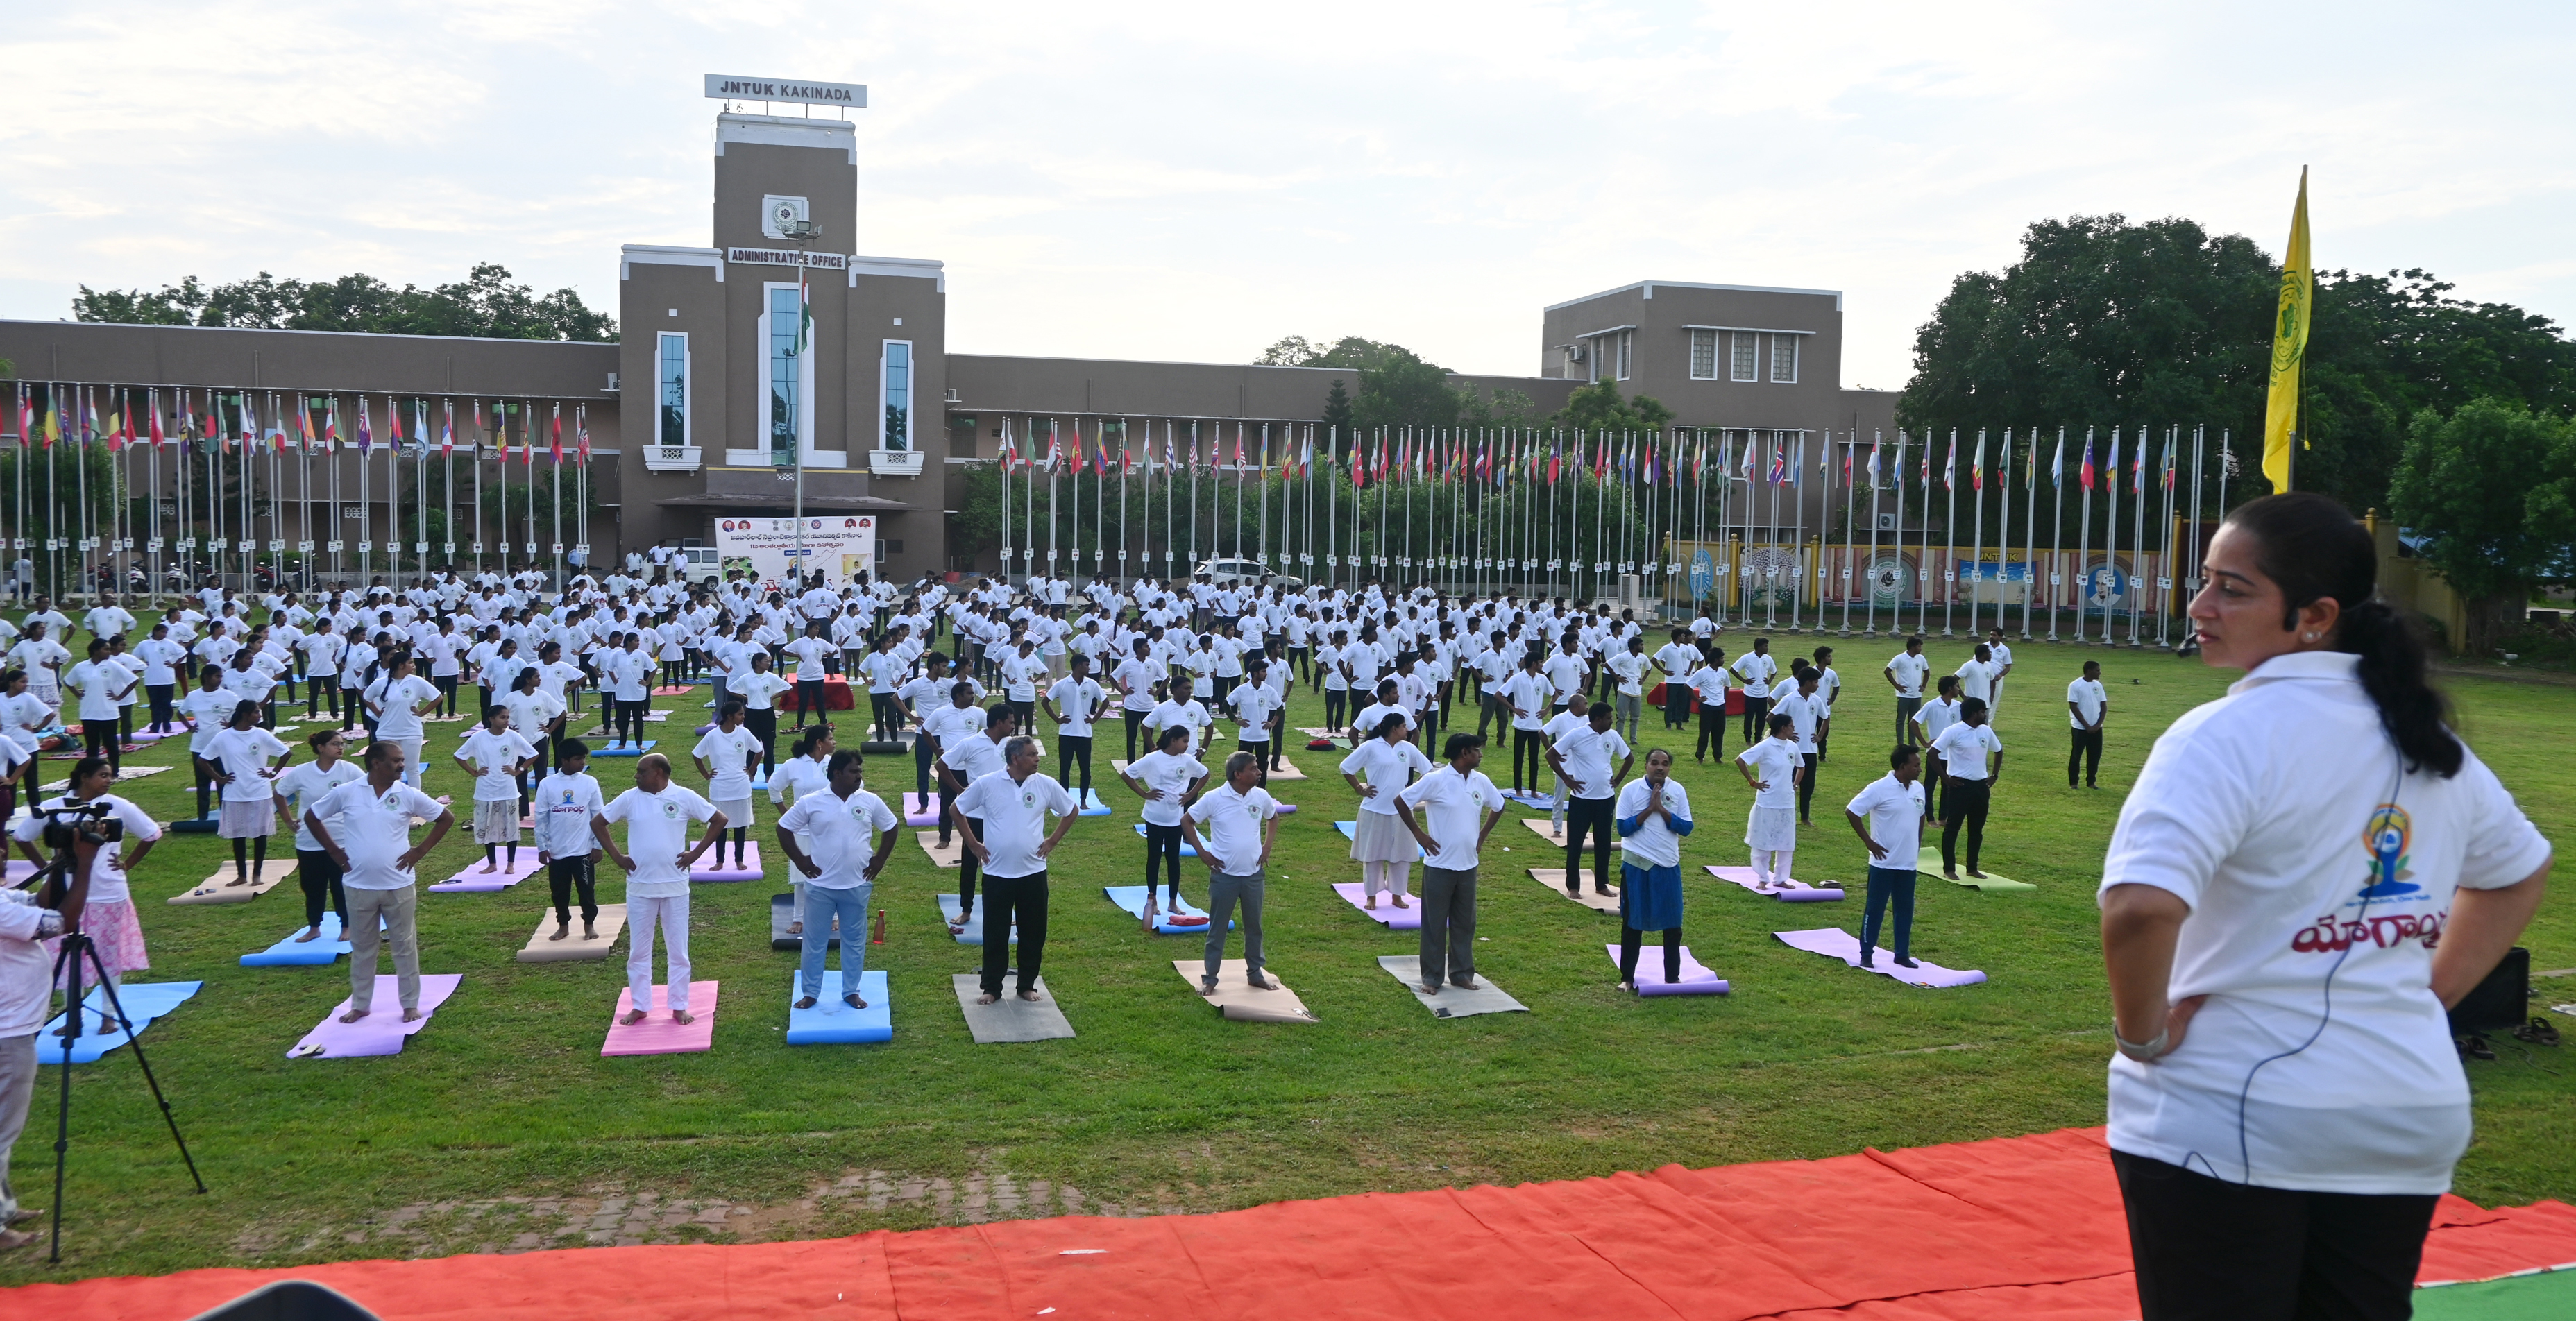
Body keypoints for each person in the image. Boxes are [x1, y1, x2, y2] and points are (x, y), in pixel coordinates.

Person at [2096, 493, 2552, 1320]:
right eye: (2203, 582)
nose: (2199, 606)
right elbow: (2518, 871)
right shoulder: (2428, 744)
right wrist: (2427, 999)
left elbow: (2137, 907)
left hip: (2232, 1113)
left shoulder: (2220, 737)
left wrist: (2142, 1036)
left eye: (2232, 589)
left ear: (2314, 615)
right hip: (2402, 1110)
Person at [304, 742, 455, 1023]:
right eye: (396, 761)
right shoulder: (348, 792)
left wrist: (419, 851)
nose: (401, 765)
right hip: (359, 884)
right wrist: (334, 852)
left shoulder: (407, 793)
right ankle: (361, 1004)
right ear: (375, 763)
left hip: (398, 884)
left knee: (405, 945)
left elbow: (446, 818)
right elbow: (312, 816)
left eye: (402, 760)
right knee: (362, 947)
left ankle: (410, 1005)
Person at [12, 756, 163, 1000]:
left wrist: (127, 864)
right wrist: (47, 867)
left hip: (108, 892)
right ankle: (72, 1013)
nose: (109, 781)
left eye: (111, 776)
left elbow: (152, 833)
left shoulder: (117, 806)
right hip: (66, 893)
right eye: (103, 775)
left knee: (108, 954)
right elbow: (21, 835)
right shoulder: (54, 807)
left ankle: (109, 1014)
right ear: (84, 778)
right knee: (66, 953)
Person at [591, 753, 725, 1025]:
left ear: (659, 774)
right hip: (640, 886)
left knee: (678, 949)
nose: (636, 776)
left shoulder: (684, 796)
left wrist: (696, 854)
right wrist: (618, 857)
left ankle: (679, 1006)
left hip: (675, 886)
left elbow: (719, 820)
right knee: (639, 950)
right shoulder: (630, 798)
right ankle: (640, 1006)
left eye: (641, 772)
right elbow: (598, 823)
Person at [952, 735, 1081, 1005]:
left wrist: (1053, 840)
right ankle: (991, 987)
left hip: (1033, 872)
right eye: (1032, 754)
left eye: (1036, 754)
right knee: (995, 932)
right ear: (1015, 759)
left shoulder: (1045, 784)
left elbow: (1071, 810)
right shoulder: (988, 783)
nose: (1037, 759)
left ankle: (1026, 984)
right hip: (997, 873)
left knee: (1033, 932)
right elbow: (956, 809)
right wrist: (973, 844)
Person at [777, 749, 899, 1010]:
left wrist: (879, 860)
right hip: (821, 887)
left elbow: (891, 827)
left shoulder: (869, 800)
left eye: (860, 771)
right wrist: (801, 860)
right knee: (814, 942)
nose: (859, 776)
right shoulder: (813, 801)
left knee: (854, 941)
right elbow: (783, 828)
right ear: (837, 773)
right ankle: (810, 993)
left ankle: (851, 991)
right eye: (854, 771)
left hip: (857, 885)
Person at [1393, 732, 1507, 995]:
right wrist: (1420, 835)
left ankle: (1461, 974)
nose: (1481, 754)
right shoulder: (1436, 779)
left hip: (1468, 865)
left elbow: (1498, 806)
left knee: (1465, 923)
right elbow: (1401, 801)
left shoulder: (1481, 780)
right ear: (1464, 753)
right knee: (1434, 923)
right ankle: (1432, 978)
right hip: (1440, 865)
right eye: (1477, 750)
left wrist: (1482, 836)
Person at [1181, 751, 1281, 994]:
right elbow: (1187, 821)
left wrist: (1267, 847)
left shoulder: (1261, 795)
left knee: (1254, 926)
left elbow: (1273, 817)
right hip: (1224, 876)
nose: (1259, 772)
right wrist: (1203, 853)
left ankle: (1255, 974)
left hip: (1253, 875)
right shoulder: (1214, 798)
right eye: (1253, 769)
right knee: (1217, 928)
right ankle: (1210, 978)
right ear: (1238, 774)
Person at [1612, 749, 1693, 989]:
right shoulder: (1631, 790)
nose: (1660, 767)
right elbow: (1623, 829)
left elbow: (1686, 828)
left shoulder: (1677, 791)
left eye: (1665, 764)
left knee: (1673, 924)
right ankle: (1627, 978)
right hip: (1637, 865)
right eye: (1655, 763)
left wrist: (1663, 810)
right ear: (1646, 766)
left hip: (1668, 864)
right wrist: (1649, 809)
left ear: (1669, 768)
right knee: (1632, 924)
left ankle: (1672, 977)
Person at [274, 729, 363, 944]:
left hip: (342, 840)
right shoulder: (302, 772)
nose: (341, 748)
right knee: (312, 887)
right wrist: (287, 820)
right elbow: (279, 792)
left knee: (342, 886)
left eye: (342, 744)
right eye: (335, 744)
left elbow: (369, 791)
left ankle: (347, 925)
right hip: (309, 841)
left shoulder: (350, 771)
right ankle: (314, 927)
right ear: (320, 748)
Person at [1845, 744, 1927, 968]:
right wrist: (1869, 842)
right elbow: (1852, 811)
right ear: (1903, 767)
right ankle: (1866, 954)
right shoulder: (1879, 788)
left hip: (1908, 864)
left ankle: (1902, 954)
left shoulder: (1919, 789)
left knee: (1905, 910)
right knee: (1875, 909)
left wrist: (1917, 842)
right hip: (1884, 864)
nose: (1920, 768)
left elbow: (1921, 814)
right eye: (1916, 765)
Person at [1339, 712, 1432, 910]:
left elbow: (1427, 770)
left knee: (1402, 855)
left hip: (1401, 812)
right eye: (1404, 727)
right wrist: (1360, 789)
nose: (1407, 731)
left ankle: (1397, 896)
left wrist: (1412, 792)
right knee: (1372, 855)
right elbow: (1346, 767)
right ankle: (1371, 897)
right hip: (1374, 809)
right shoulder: (1371, 747)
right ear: (1394, 729)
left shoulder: (1407, 748)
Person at [936, 704, 1017, 932]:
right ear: (999, 723)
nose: (1013, 726)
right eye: (1010, 722)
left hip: (1003, 815)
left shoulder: (1012, 745)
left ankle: (1006, 910)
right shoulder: (971, 744)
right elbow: (941, 765)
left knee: (1004, 865)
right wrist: (961, 789)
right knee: (970, 864)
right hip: (974, 816)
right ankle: (966, 909)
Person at [1545, 699, 1632, 899]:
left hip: (1605, 799)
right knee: (1575, 843)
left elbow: (1629, 758)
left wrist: (1617, 780)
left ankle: (1602, 884)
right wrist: (1567, 779)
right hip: (1582, 800)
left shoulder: (1613, 736)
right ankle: (1573, 887)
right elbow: (1551, 754)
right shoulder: (1577, 735)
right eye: (1609, 718)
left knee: (1603, 843)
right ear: (1598, 719)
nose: (1612, 721)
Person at [201, 699, 291, 889]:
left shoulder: (261, 734)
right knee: (238, 835)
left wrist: (273, 773)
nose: (259, 715)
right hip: (235, 793)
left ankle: (257, 875)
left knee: (260, 835)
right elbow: (202, 761)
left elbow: (286, 753)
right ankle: (241, 875)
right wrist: (220, 778)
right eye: (256, 712)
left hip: (259, 791)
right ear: (245, 714)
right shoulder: (223, 737)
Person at [1121, 724, 1208, 922]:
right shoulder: (1153, 759)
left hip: (1176, 819)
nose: (1187, 745)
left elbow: (1205, 774)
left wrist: (1190, 795)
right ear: (1173, 740)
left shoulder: (1187, 761)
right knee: (1154, 857)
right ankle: (1152, 900)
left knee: (1173, 859)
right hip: (1154, 817)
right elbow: (1127, 774)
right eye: (1185, 741)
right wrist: (1144, 793)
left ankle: (1172, 901)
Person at [533, 739, 607, 942]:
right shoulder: (547, 784)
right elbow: (541, 818)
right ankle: (563, 926)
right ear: (564, 760)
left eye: (584, 758)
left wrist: (597, 846)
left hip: (583, 851)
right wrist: (542, 847)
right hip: (557, 851)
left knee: (586, 890)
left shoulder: (589, 782)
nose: (582, 762)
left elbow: (597, 815)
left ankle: (589, 925)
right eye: (577, 759)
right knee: (559, 892)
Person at [455, 705, 539, 874]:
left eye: (508, 717)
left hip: (507, 789)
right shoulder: (478, 738)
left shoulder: (513, 737)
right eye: (502, 717)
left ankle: (510, 864)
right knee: (487, 827)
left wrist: (518, 771)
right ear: (491, 719)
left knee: (511, 828)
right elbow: (459, 755)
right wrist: (474, 772)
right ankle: (492, 864)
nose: (506, 721)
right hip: (486, 790)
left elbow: (533, 754)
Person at [1931, 697, 2002, 880]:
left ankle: (1972, 867)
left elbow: (1998, 750)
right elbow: (1932, 753)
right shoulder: (1954, 731)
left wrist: (1994, 775)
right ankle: (1949, 869)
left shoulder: (1986, 731)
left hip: (1981, 786)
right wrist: (1945, 778)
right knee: (1952, 828)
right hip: (1960, 786)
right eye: (1982, 712)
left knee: (1976, 829)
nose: (1985, 715)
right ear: (1974, 713)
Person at [690, 700, 763, 872]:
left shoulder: (744, 733)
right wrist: (706, 774)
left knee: (740, 825)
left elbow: (759, 750)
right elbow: (696, 754)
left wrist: (751, 771)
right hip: (720, 787)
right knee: (720, 825)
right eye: (740, 714)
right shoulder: (713, 736)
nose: (743, 717)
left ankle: (739, 860)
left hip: (741, 786)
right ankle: (720, 861)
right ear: (730, 717)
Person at [1736, 713, 1803, 890]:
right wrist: (1752, 782)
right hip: (1767, 802)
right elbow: (1740, 760)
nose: (1794, 729)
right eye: (1792, 726)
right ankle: (1763, 878)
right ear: (1783, 728)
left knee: (1786, 843)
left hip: (1786, 802)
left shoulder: (1792, 747)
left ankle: (1781, 879)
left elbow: (1801, 766)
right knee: (1763, 842)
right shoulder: (1765, 746)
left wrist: (1795, 785)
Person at [1043, 654, 1108, 803]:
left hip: (1085, 734)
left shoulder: (1092, 684)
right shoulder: (1063, 684)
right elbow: (1045, 702)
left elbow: (1105, 701)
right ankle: (1064, 802)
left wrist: (1095, 719)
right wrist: (1057, 719)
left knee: (1085, 770)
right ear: (1079, 666)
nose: (1089, 668)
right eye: (1087, 665)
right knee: (1064, 770)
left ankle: (1083, 801)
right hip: (1066, 734)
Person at [2067, 658, 2108, 789]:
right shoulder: (2075, 685)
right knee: (2076, 755)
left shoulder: (2098, 686)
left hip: (2096, 728)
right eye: (2097, 670)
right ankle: (2074, 782)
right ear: (2089, 671)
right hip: (2080, 728)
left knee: (2095, 756)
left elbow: (2104, 706)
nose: (2100, 673)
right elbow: (2074, 707)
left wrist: (2097, 725)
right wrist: (2086, 726)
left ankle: (2091, 782)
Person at [1731, 636, 1777, 747]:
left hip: (1763, 694)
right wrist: (1744, 680)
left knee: (1761, 718)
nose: (1767, 648)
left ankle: (1758, 739)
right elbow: (1733, 669)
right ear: (1759, 647)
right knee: (1749, 717)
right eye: (1765, 646)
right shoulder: (1747, 658)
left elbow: (1774, 671)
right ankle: (1748, 738)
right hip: (1750, 693)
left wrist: (1769, 680)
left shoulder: (1768, 659)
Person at [1884, 636, 1929, 746]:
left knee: (1913, 721)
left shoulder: (1921, 659)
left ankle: (1912, 743)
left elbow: (1927, 672)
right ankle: (1901, 743)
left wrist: (1923, 686)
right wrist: (1897, 686)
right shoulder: (1900, 658)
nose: (1921, 649)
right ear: (1913, 647)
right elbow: (1887, 671)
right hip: (1904, 695)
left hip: (1916, 695)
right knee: (1901, 720)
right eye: (1919, 646)